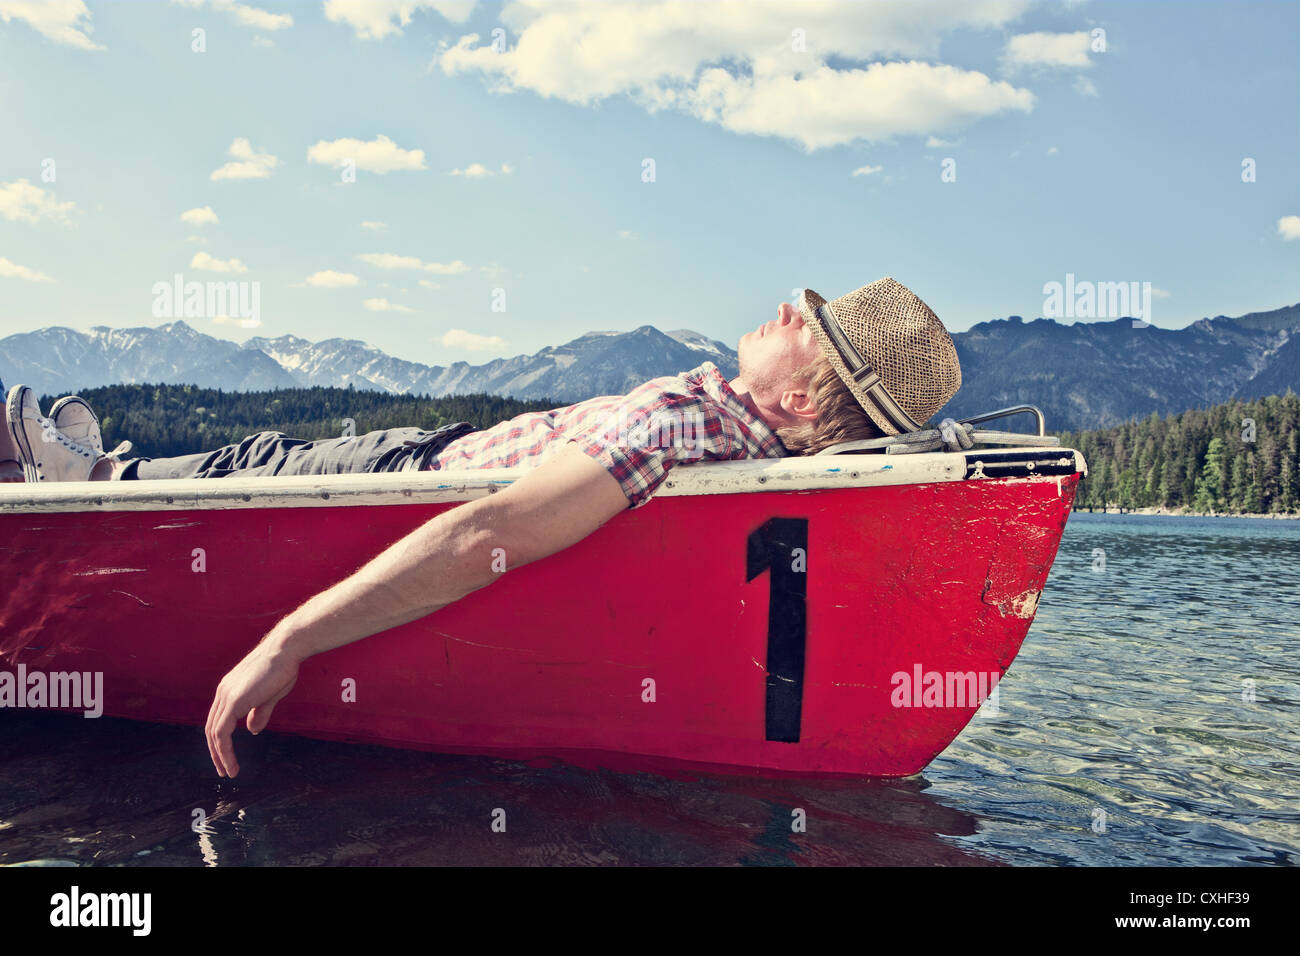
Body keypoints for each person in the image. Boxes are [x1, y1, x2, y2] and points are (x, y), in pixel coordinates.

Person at [4, 278, 962, 776]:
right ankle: (89, 466)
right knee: (249, 455)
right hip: (446, 450)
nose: (789, 306)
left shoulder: (682, 416)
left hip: (417, 474)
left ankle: (78, 473)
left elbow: (484, 536)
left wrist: (287, 640)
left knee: (251, 465)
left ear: (800, 392)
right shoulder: (767, 443)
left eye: (810, 324)